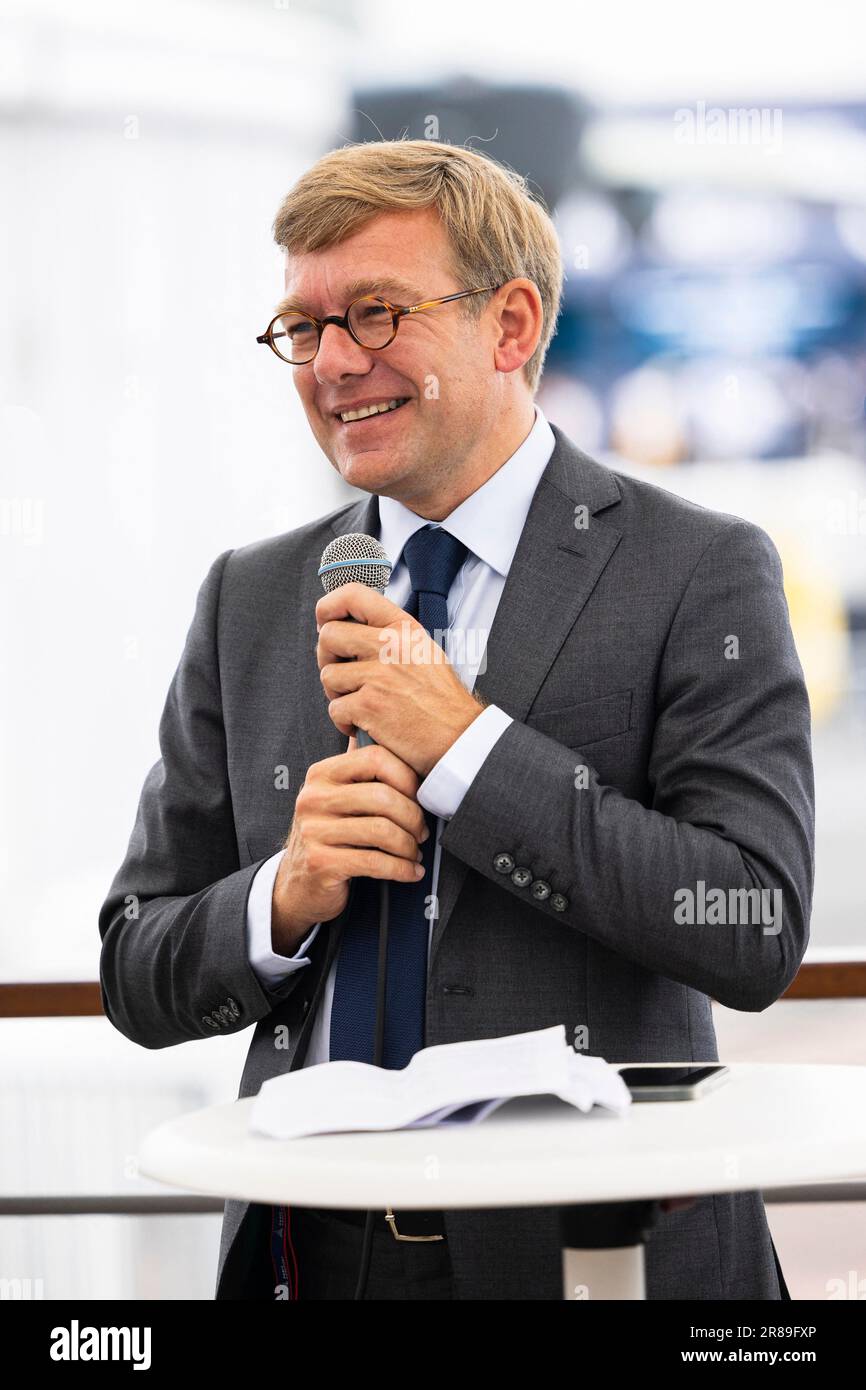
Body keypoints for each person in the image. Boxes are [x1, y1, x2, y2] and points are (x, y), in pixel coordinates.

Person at [98, 138, 814, 1300]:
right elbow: (135, 967)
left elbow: (752, 925)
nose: (331, 361)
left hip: (595, 1257)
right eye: (302, 325)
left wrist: (466, 750)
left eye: (374, 314)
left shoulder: (697, 570)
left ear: (512, 326)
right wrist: (278, 899)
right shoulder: (249, 593)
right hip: (311, 1255)